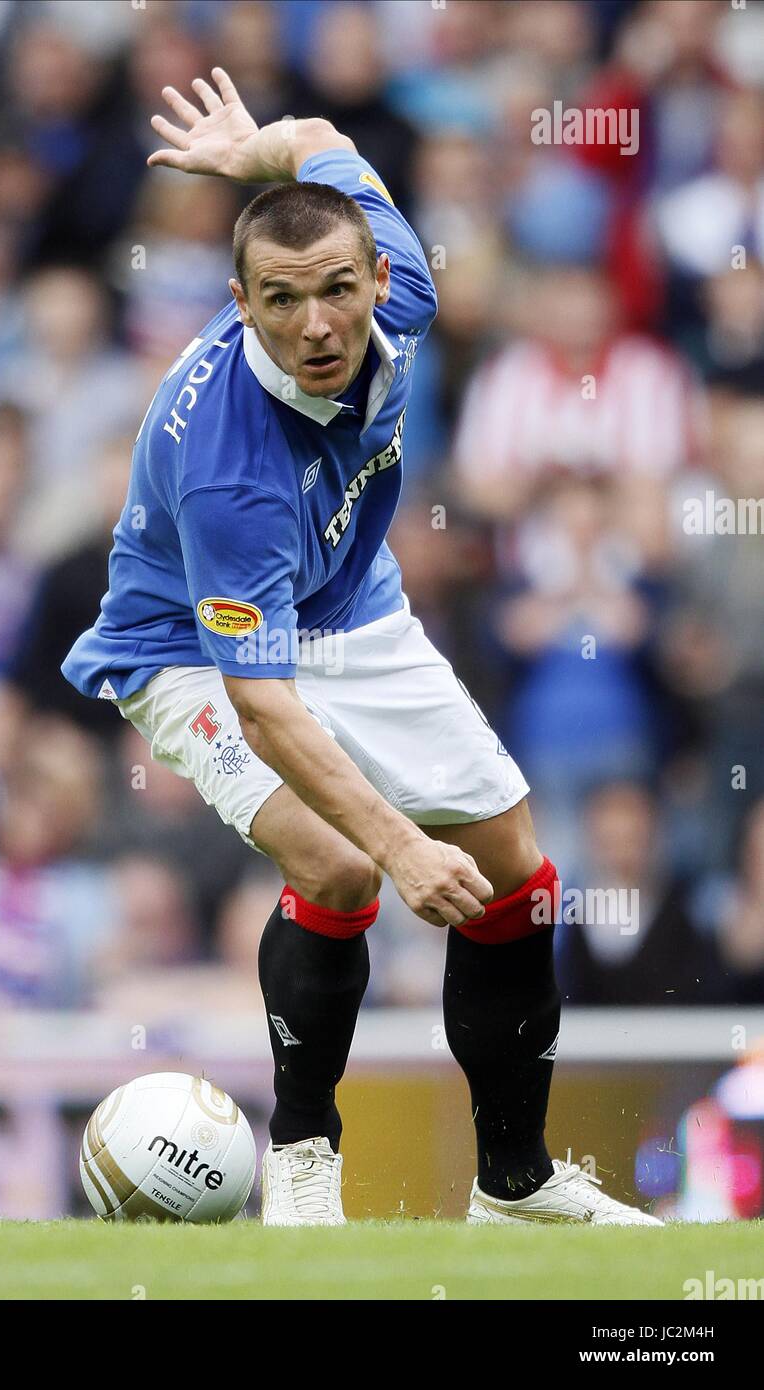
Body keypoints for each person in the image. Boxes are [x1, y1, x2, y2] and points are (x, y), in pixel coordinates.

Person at [63, 68, 661, 1228]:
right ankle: (302, 1156)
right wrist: (396, 850)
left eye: (337, 290)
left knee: (513, 875)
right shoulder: (233, 468)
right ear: (240, 305)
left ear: (383, 277)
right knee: (335, 865)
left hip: (353, 604)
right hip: (188, 646)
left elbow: (324, 133)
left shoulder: (401, 286)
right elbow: (266, 705)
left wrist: (257, 149)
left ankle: (514, 1182)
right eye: (280, 302)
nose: (317, 324)